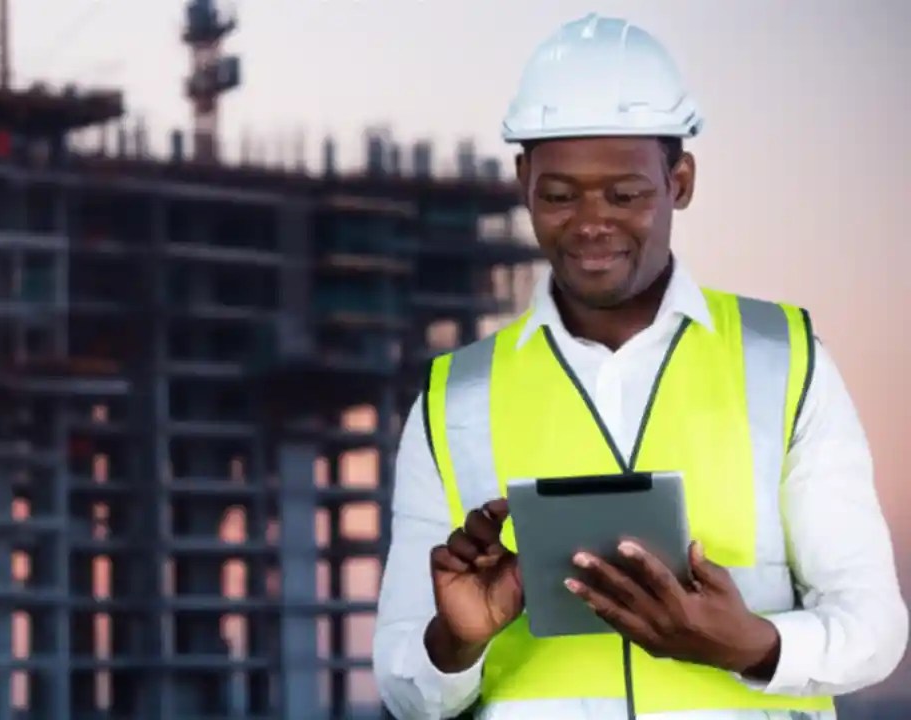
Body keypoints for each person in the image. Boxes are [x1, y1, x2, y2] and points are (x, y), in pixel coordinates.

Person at [372, 13, 908, 720]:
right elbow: (404, 687)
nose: (592, 221)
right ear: (523, 180)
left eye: (625, 194)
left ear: (680, 180)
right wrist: (455, 641)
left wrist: (752, 644)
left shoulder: (785, 362)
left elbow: (874, 629)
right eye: (560, 195)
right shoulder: (454, 400)